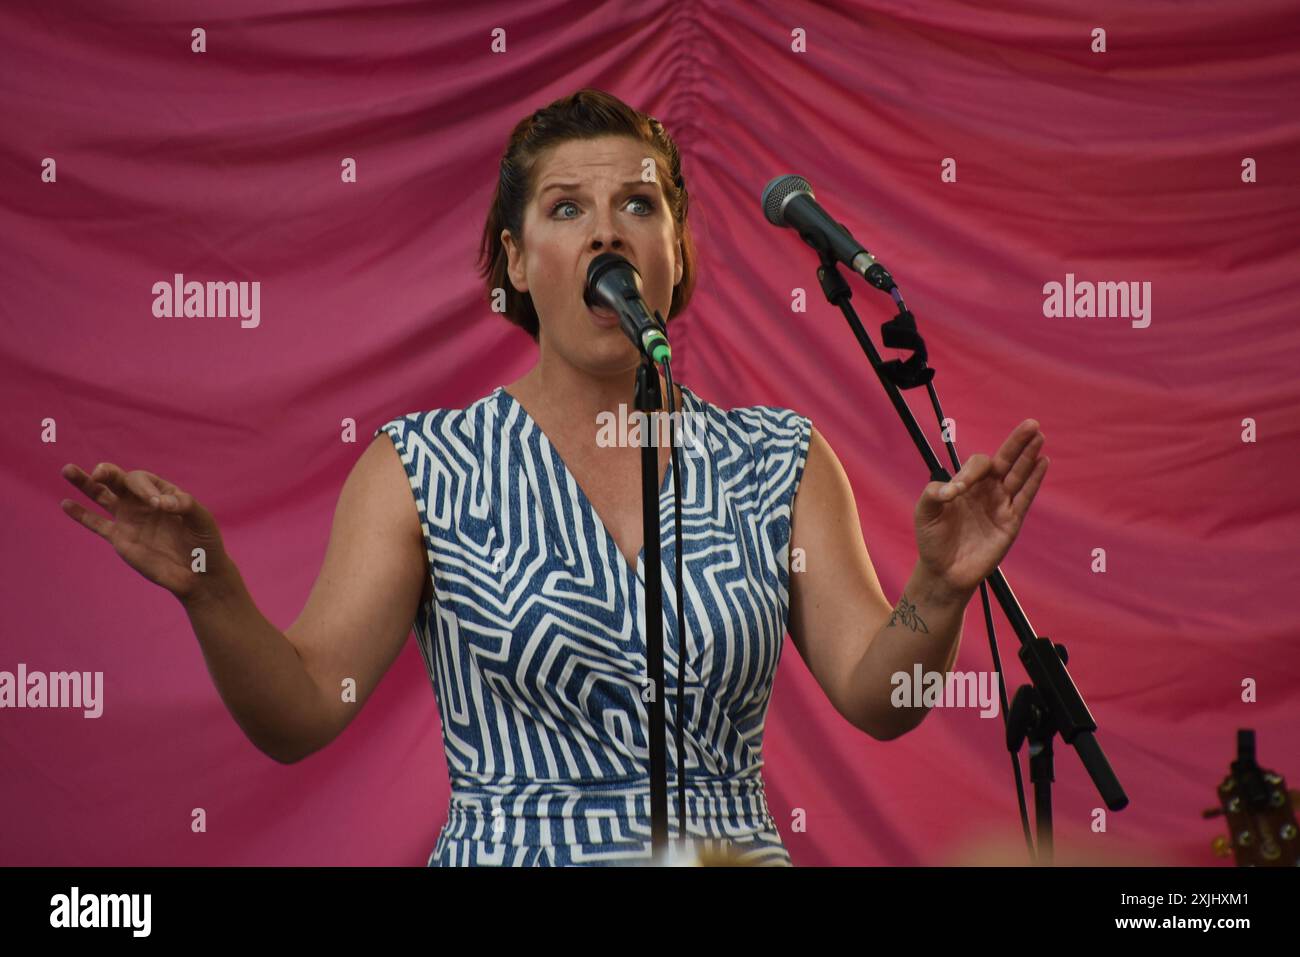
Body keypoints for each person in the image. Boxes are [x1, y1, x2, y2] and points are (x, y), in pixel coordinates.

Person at [58, 89, 1048, 867]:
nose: (606, 232)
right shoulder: (423, 468)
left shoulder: (774, 459)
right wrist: (210, 585)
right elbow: (305, 708)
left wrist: (937, 584)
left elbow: (880, 700)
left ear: (674, 251)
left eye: (637, 204)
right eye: (565, 208)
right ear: (518, 262)